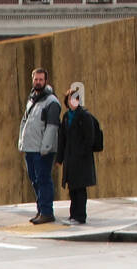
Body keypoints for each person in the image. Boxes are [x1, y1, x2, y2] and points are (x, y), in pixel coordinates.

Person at [17, 67, 61, 224]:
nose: (38, 82)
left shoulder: (52, 102)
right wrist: (22, 143)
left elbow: (52, 127)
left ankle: (47, 212)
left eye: (41, 79)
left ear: (46, 81)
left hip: (42, 151)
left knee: (43, 179)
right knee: (35, 180)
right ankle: (41, 210)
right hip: (30, 148)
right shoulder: (32, 99)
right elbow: (25, 121)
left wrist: (45, 148)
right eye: (36, 79)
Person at [57, 82, 98, 226]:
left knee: (80, 188)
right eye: (70, 99)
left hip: (81, 159)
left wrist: (81, 153)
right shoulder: (66, 117)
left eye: (75, 99)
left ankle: (80, 216)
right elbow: (62, 138)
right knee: (72, 188)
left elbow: (90, 138)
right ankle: (73, 215)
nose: (73, 102)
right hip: (70, 158)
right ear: (67, 102)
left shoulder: (84, 116)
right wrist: (60, 158)